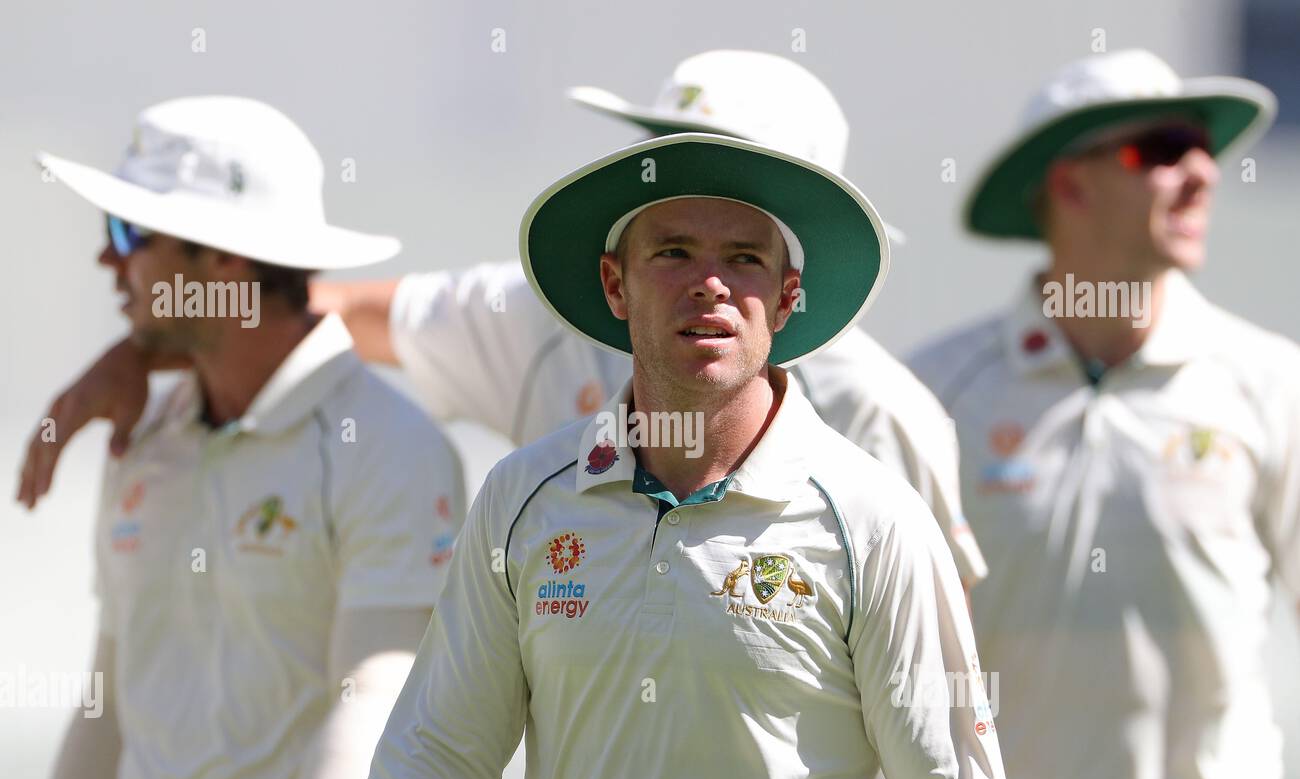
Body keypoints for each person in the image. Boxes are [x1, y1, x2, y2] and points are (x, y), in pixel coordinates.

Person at [17, 51, 986, 595]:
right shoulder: (537, 324)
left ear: (793, 253)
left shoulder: (880, 415)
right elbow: (307, 305)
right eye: (659, 162)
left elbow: (931, 718)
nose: (682, 206)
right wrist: (148, 339)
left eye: (730, 196)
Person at [351, 132, 1021, 779]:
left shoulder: (875, 519)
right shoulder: (522, 498)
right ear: (615, 284)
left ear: (788, 297)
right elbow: (441, 759)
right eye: (673, 253)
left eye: (744, 259)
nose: (710, 284)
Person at [29, 96, 465, 779]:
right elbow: (108, 711)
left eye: (128, 234)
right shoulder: (145, 436)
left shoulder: (391, 447)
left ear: (224, 258)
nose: (106, 260)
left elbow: (376, 691)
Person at [909, 49, 1299, 779]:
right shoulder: (931, 394)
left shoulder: (1271, 382)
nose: (1201, 174)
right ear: (1069, 184)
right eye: (1156, 150)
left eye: (1203, 150)